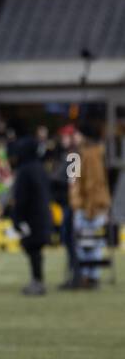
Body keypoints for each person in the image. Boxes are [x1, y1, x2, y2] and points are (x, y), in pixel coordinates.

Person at [69, 122, 112, 289]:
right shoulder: (101, 153)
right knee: (93, 244)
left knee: (86, 243)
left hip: (87, 205)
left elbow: (73, 183)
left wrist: (76, 203)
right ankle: (90, 276)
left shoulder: (77, 154)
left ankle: (87, 276)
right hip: (95, 204)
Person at [9, 135, 52, 295]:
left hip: (31, 217)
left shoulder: (25, 170)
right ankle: (37, 281)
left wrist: (17, 217)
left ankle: (37, 282)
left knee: (33, 250)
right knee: (36, 251)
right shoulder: (40, 168)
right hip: (42, 215)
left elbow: (21, 198)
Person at [49, 125, 79, 288]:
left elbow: (73, 181)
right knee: (68, 240)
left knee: (71, 241)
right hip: (66, 203)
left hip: (70, 205)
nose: (63, 140)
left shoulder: (73, 155)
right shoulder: (65, 155)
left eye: (66, 137)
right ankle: (73, 275)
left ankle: (75, 276)